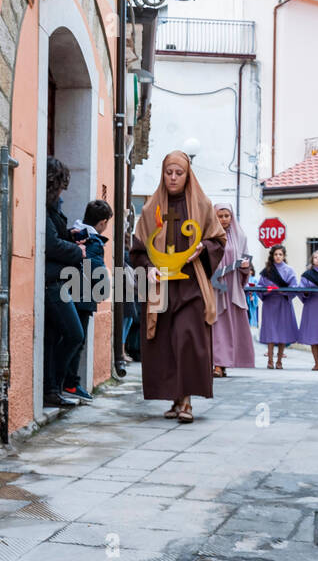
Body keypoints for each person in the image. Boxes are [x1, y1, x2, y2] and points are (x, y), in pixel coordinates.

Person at [128, 151, 225, 423]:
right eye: (168, 173)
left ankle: (187, 402)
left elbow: (218, 239)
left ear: (187, 175)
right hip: (162, 289)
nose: (173, 178)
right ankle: (175, 399)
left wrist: (203, 248)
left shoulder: (203, 206)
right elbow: (137, 249)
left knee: (188, 340)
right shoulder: (150, 210)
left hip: (192, 286)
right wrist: (149, 267)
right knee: (167, 343)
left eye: (178, 173)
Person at [42, 157, 84, 408]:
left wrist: (70, 236)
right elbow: (50, 243)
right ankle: (53, 386)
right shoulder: (45, 207)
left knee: (53, 338)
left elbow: (56, 237)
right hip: (52, 284)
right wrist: (77, 251)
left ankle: (51, 389)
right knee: (74, 334)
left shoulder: (51, 207)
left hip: (57, 281)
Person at [62, 198, 113, 404]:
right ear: (102, 223)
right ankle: (70, 383)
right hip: (82, 297)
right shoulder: (93, 241)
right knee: (77, 341)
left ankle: (67, 382)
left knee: (71, 340)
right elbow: (96, 269)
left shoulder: (75, 233)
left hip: (70, 292)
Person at [210, 203, 254, 377]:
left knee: (231, 325)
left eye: (226, 215)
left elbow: (246, 258)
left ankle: (226, 362)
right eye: (220, 216)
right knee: (217, 325)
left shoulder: (240, 236)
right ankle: (218, 364)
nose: (223, 219)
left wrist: (244, 266)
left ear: (231, 216)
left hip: (232, 286)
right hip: (215, 286)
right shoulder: (209, 236)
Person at [255, 244, 299, 369]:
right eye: (275, 254)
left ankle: (279, 361)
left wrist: (284, 292)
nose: (278, 256)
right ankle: (269, 360)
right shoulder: (267, 270)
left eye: (280, 254)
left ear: (284, 256)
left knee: (282, 331)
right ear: (272, 256)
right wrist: (267, 291)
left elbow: (294, 287)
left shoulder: (289, 270)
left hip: (284, 303)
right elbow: (259, 287)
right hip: (270, 303)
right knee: (271, 331)